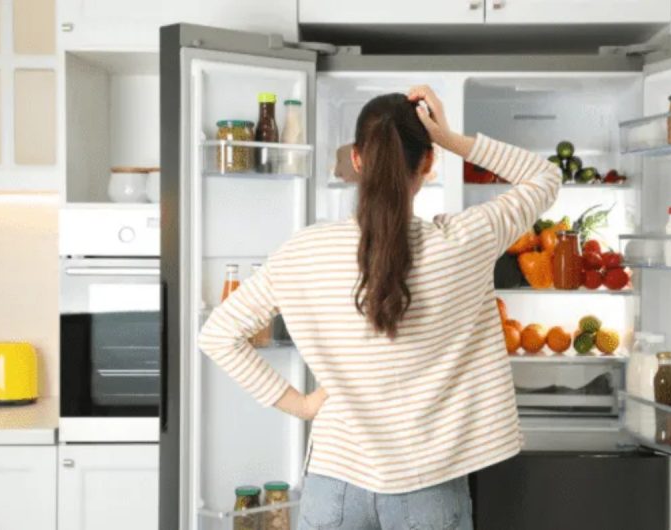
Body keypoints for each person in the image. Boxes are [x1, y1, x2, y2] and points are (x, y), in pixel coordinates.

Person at [198, 85, 561, 529]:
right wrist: (450, 138)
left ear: (356, 160)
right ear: (428, 163)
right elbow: (545, 177)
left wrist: (304, 405)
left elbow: (219, 335)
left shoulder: (304, 251)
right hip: (428, 485)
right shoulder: (465, 242)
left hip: (333, 484)